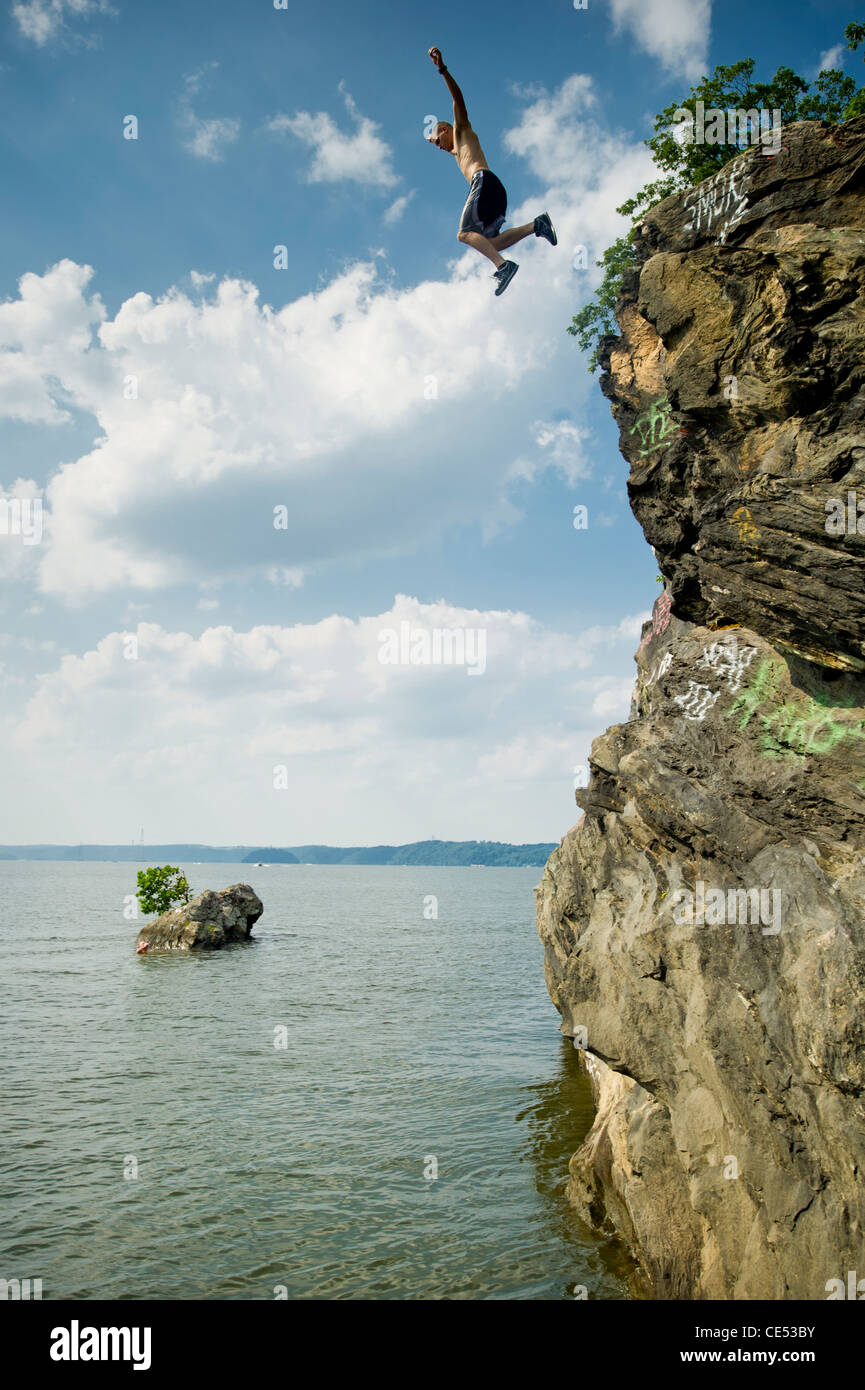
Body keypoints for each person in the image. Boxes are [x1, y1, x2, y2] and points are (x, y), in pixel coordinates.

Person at [427, 46, 557, 295]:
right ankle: (536, 225)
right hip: (494, 189)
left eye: (439, 141)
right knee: (491, 242)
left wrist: (442, 69)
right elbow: (445, 147)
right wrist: (432, 140)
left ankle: (504, 267)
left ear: (445, 130)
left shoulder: (461, 129)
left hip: (483, 181)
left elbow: (458, 99)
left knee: (464, 234)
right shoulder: (457, 150)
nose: (440, 148)